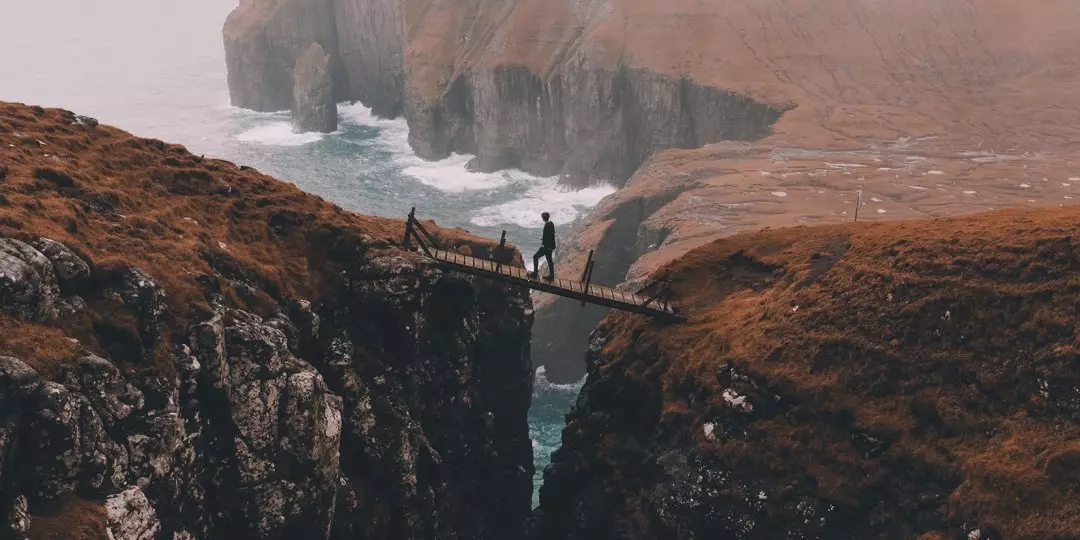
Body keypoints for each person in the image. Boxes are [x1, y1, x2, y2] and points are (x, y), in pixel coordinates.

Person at [529, 212, 556, 281]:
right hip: (551, 246)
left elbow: (547, 236)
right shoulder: (551, 223)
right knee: (549, 260)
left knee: (535, 257)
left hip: (546, 246)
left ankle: (535, 273)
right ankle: (551, 276)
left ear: (542, 218)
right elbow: (551, 235)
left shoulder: (547, 225)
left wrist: (543, 243)